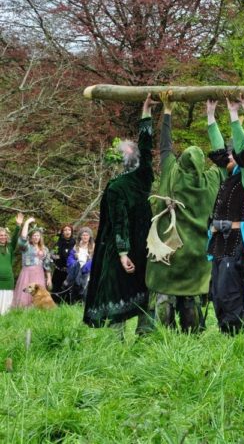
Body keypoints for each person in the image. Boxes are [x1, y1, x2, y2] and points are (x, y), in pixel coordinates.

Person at [145, 98, 227, 333]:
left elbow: (164, 146)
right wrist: (211, 116)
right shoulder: (209, 181)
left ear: (181, 161)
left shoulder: (172, 173)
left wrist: (167, 111)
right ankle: (192, 337)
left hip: (168, 254)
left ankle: (166, 338)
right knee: (190, 299)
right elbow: (221, 157)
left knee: (164, 297)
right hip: (195, 256)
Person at [83, 95, 157, 334]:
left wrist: (123, 252)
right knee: (143, 290)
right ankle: (145, 335)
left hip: (123, 250)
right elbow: (147, 146)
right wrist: (146, 113)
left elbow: (119, 222)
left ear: (122, 162)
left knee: (119, 292)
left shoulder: (117, 187)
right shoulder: (145, 178)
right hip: (145, 245)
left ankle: (117, 341)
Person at [206, 97, 244, 335]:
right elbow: (220, 151)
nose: (228, 158)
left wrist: (234, 114)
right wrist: (211, 116)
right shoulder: (229, 176)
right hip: (221, 241)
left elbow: (240, 151)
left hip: (237, 241)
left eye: (233, 156)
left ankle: (239, 332)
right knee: (218, 293)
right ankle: (225, 332)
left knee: (230, 290)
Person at [12, 216, 52, 308]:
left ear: (40, 237)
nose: (36, 237)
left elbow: (47, 264)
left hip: (39, 274)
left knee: (39, 294)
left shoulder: (44, 249)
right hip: (27, 273)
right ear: (31, 237)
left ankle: (36, 312)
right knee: (26, 294)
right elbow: (22, 238)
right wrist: (27, 222)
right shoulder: (26, 247)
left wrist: (49, 278)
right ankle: (22, 312)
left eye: (38, 235)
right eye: (34, 235)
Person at [0, 213, 24, 314]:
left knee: (7, 304)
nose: (3, 237)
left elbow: (15, 238)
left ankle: (6, 321)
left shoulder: (10, 247)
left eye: (5, 235)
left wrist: (18, 225)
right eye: (1, 235)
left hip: (8, 279)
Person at [65, 227, 94, 301]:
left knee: (85, 292)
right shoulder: (76, 246)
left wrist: (87, 267)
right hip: (76, 271)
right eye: (83, 235)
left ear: (89, 236)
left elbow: (96, 260)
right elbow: (70, 258)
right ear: (80, 236)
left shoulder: (93, 247)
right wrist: (74, 263)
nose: (85, 237)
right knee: (74, 289)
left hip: (87, 272)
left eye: (87, 235)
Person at [50, 224, 75, 303]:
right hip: (59, 270)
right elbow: (52, 254)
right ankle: (54, 306)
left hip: (70, 271)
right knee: (57, 288)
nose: (67, 232)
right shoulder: (57, 242)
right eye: (65, 230)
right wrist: (58, 258)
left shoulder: (75, 242)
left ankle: (67, 306)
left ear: (71, 232)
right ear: (62, 232)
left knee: (68, 290)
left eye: (69, 230)